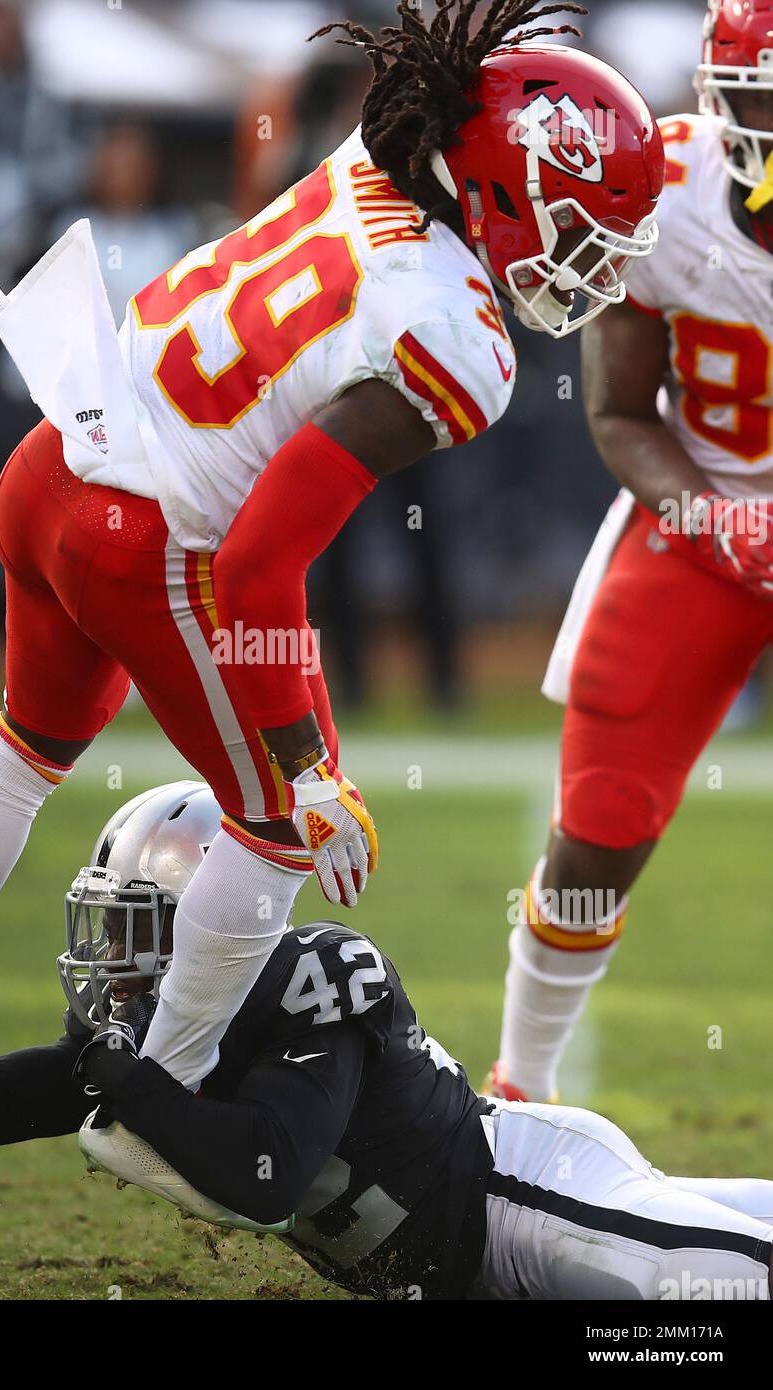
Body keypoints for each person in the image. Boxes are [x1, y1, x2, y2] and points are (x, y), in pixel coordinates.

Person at [0, 0, 663, 1142]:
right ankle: (157, 1107)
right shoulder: (459, 337)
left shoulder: (371, 166)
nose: (587, 265)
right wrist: (305, 767)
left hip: (52, 463)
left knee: (30, 743)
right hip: (147, 536)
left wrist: (309, 738)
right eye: (576, 227)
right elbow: (260, 564)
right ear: (502, 191)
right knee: (279, 828)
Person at [0, 782, 773, 1300]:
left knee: (708, 1303)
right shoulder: (144, 1029)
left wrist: (129, 1085)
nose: (112, 959)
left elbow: (266, 1174)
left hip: (531, 1206)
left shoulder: (313, 977)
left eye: (135, 930)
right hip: (470, 1265)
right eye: (107, 928)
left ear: (205, 924)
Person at [486, 0, 773, 1106]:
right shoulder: (665, 189)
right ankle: (521, 1088)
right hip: (700, 519)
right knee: (599, 819)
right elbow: (618, 411)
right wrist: (711, 514)